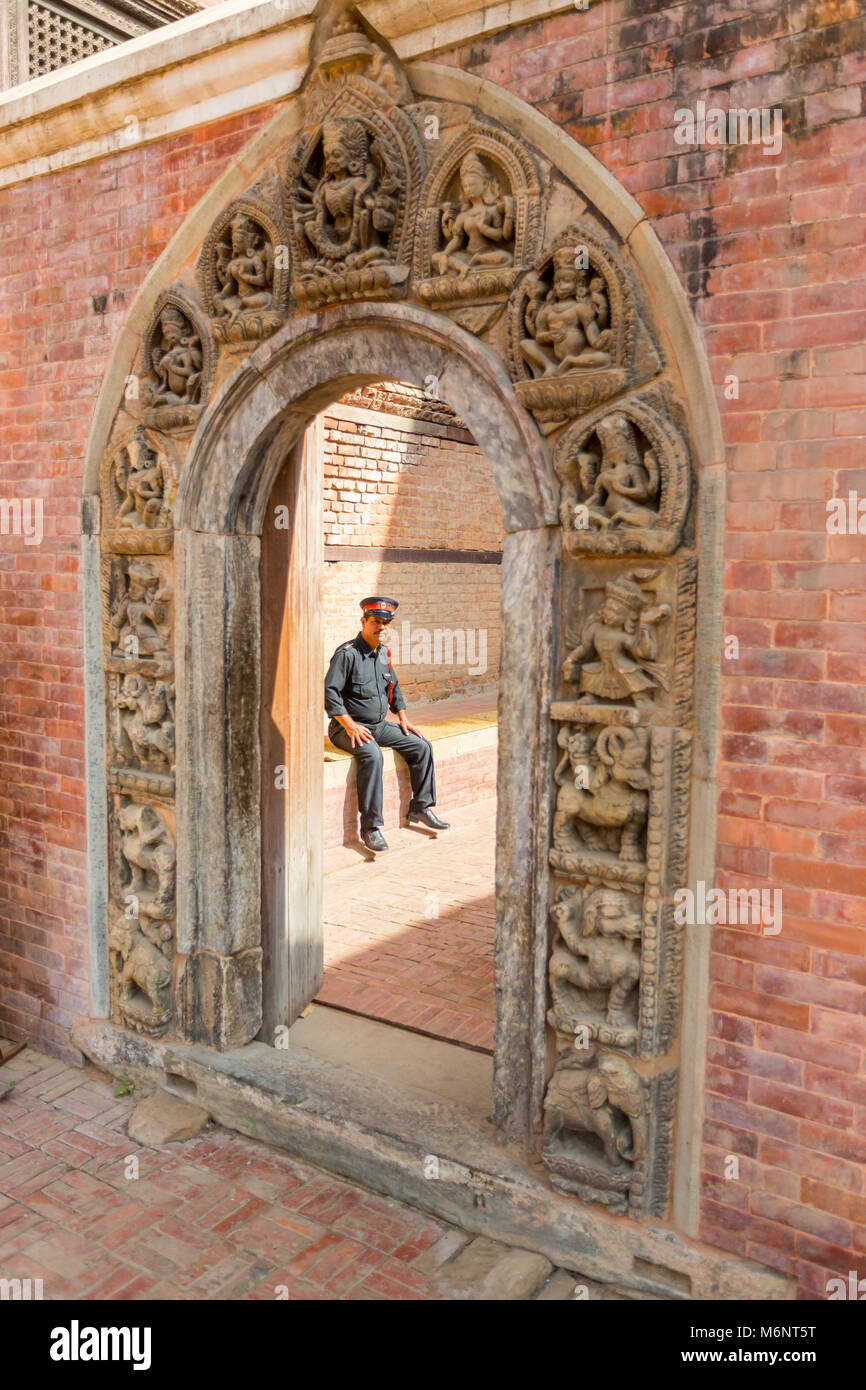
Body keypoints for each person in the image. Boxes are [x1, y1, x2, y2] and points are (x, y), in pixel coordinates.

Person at [324, 596, 450, 853]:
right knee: (372, 756)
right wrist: (349, 725)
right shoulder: (347, 654)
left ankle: (421, 807)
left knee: (421, 746)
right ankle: (370, 828)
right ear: (363, 622)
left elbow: (393, 687)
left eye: (385, 623)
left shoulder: (383, 654)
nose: (381, 627)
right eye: (375, 622)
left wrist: (403, 717)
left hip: (378, 725)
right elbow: (330, 692)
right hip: (346, 728)